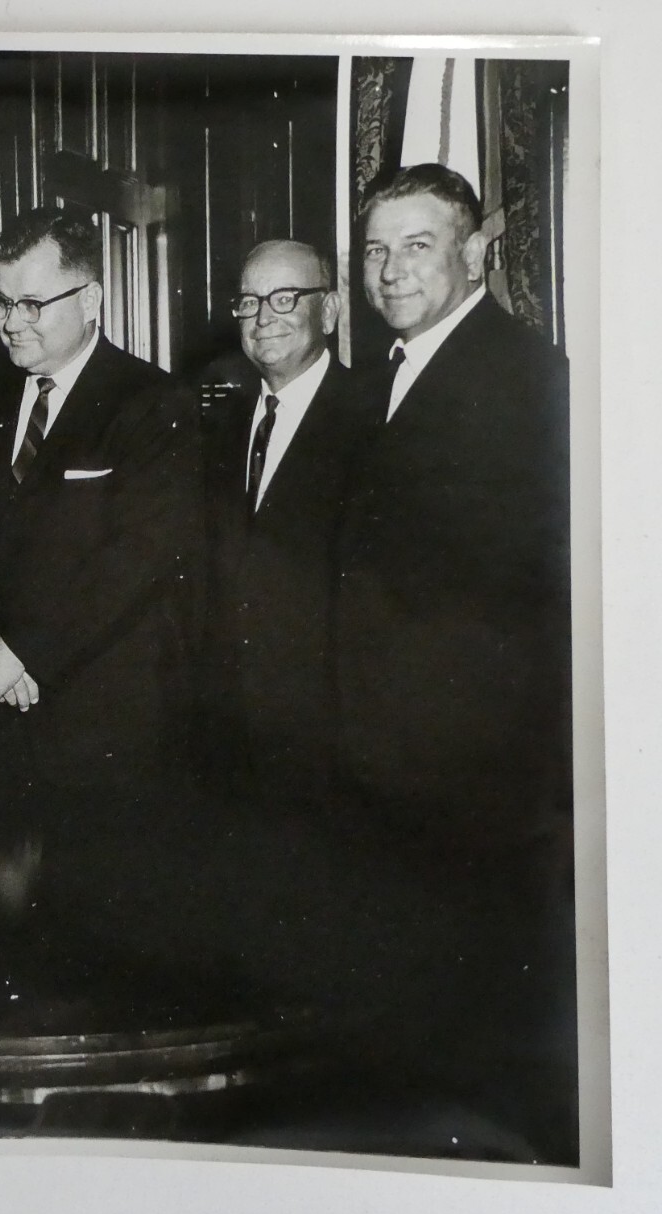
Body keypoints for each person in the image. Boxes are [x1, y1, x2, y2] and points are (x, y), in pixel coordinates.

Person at [0, 207, 198, 788]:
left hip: (104, 722)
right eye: (1, 302)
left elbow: (138, 558)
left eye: (31, 304)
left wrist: (23, 651)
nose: (10, 322)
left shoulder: (151, 401)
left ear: (91, 299)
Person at [338, 163, 571, 851]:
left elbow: (522, 589)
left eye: (417, 246)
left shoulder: (522, 375)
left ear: (473, 254)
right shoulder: (386, 377)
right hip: (392, 751)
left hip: (470, 765)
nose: (390, 271)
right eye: (377, 250)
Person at [196, 240, 372, 806]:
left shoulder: (376, 420)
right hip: (228, 745)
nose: (264, 317)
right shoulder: (217, 426)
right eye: (249, 301)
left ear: (329, 309)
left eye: (285, 297)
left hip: (334, 743)